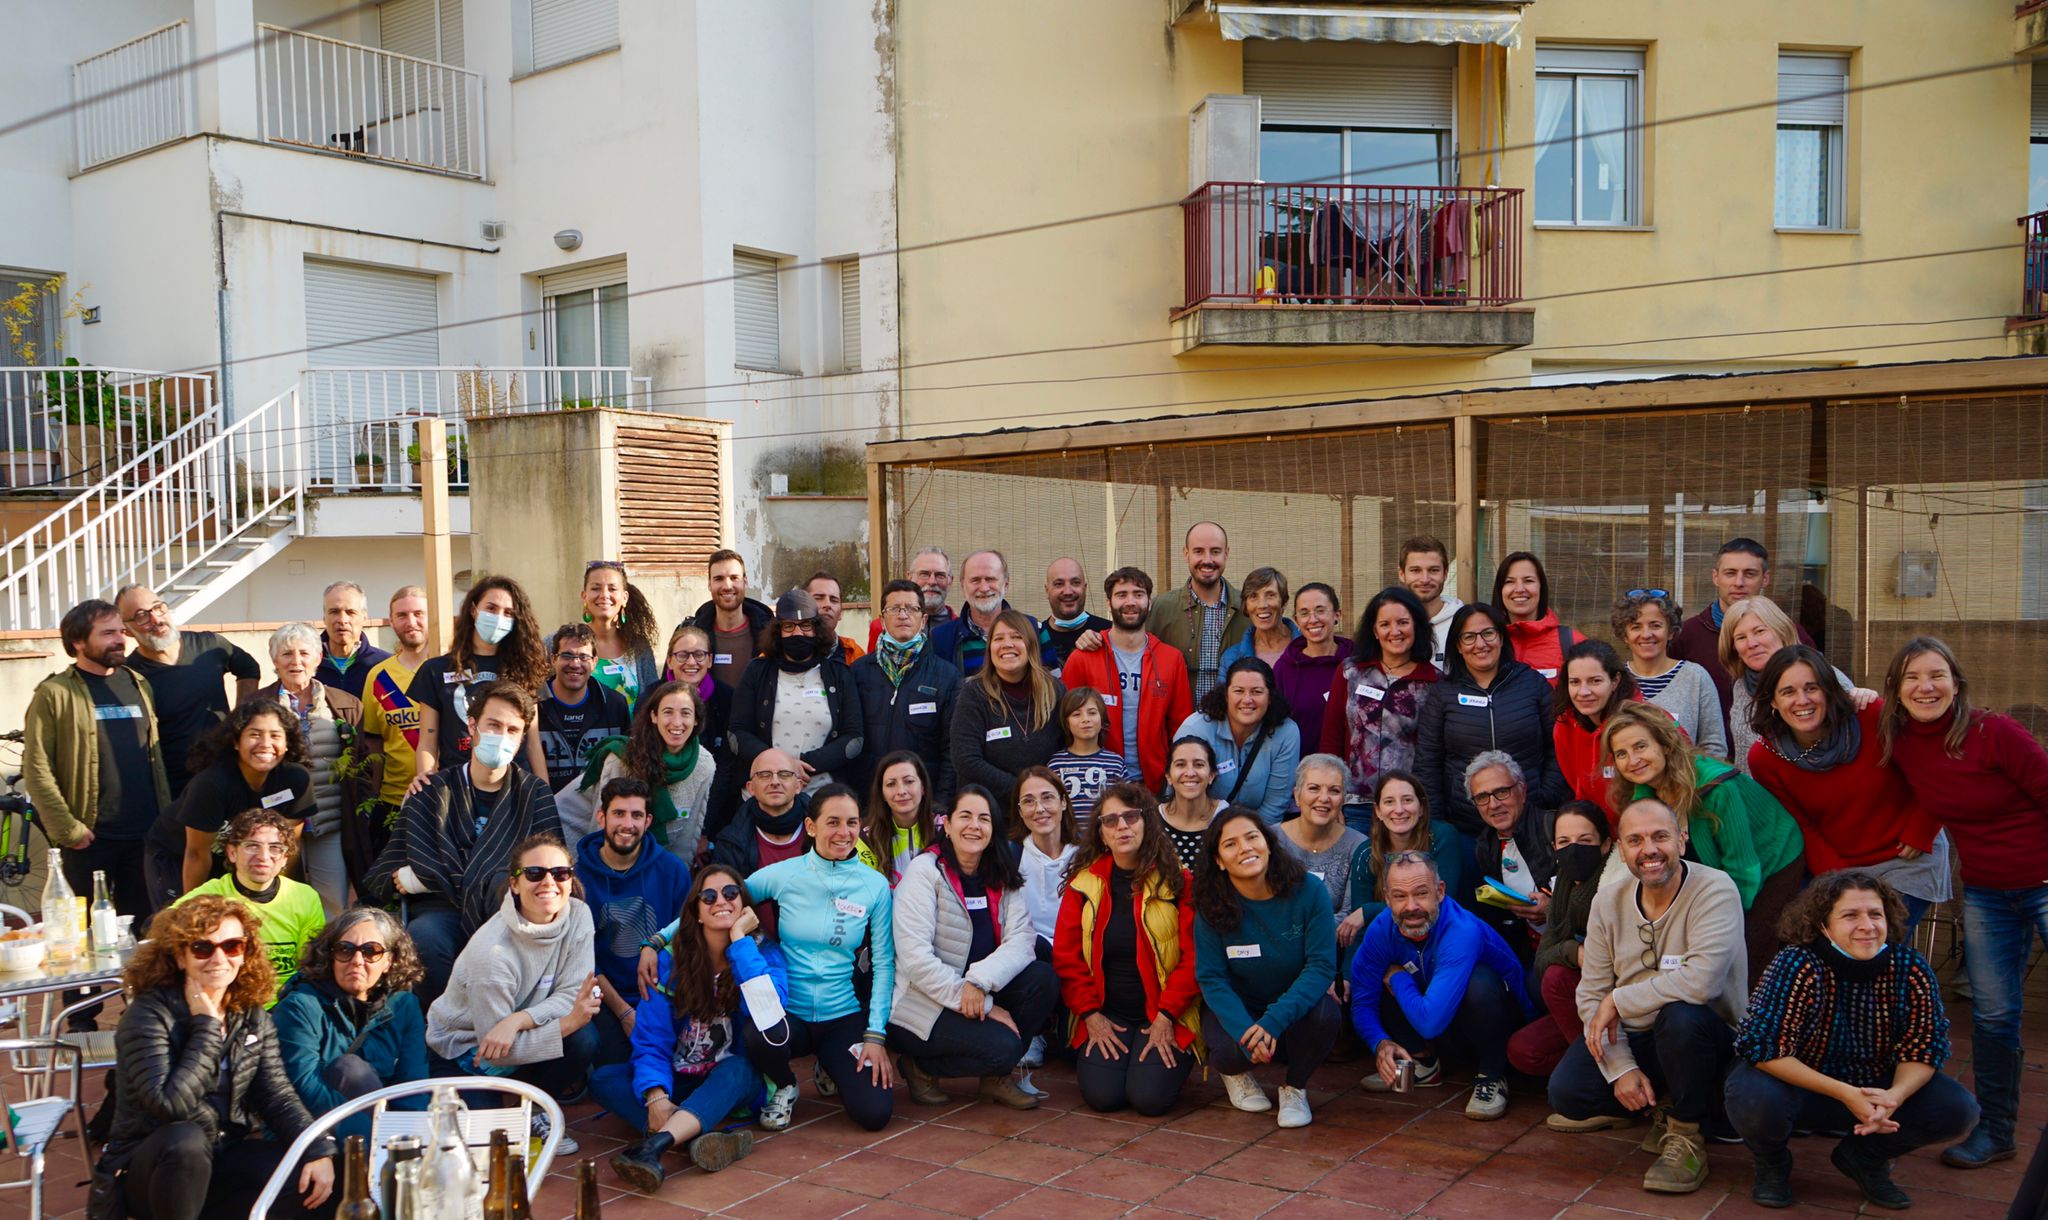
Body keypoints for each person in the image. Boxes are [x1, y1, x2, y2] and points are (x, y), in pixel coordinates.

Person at [1879, 635, 2048, 1169]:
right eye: (1912, 678)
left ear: (1956, 682)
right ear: (1896, 689)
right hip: (1987, 894)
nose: (1925, 687)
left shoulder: (1994, 732)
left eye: (1936, 675)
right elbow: (1939, 788)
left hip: (2044, 882)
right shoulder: (1901, 742)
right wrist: (1921, 826)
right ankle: (1996, 1133)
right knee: (1994, 1015)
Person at [1727, 873, 1978, 1210]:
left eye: (1875, 914)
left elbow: (1925, 1046)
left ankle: (1865, 1157)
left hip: (1875, 1089)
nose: (1867, 926)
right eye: (1850, 915)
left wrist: (1895, 1095)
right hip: (1801, 1087)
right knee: (1750, 1095)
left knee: (1958, 1109)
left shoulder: (1910, 968)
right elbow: (1760, 1045)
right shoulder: (1797, 963)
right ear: (1823, 925)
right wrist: (1844, 1093)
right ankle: (1772, 1163)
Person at [656, 784, 898, 1131]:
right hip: (788, 1013)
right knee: (757, 1033)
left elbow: (885, 964)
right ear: (811, 826)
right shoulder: (786, 874)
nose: (844, 833)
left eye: (852, 823)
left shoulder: (874, 886)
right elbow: (720, 903)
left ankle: (831, 1064)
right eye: (832, 822)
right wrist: (658, 939)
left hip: (842, 1014)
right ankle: (785, 1083)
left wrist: (875, 1035)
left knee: (874, 1114)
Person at [1545, 799, 1746, 1198]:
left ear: (1681, 841)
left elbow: (1702, 983)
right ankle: (1661, 1104)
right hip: (1641, 1035)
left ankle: (1686, 1135)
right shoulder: (1608, 901)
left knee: (1680, 1016)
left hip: (1707, 1036)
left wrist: (1618, 1001)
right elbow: (1592, 993)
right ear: (1621, 850)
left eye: (1660, 837)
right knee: (1568, 1091)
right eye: (1635, 840)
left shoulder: (1715, 888)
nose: (1649, 850)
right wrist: (1621, 1067)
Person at [93, 894, 336, 1220]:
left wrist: (316, 1148)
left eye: (232, 946)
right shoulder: (148, 1015)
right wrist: (206, 1029)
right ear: (180, 957)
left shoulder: (249, 1014)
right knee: (186, 1141)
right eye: (202, 948)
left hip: (221, 1151)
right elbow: (168, 1106)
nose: (219, 958)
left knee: (317, 1178)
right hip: (151, 1168)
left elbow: (276, 1095)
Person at [371, 680, 562, 1008]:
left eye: (512, 730)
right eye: (493, 725)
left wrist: (425, 877)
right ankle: (446, 1024)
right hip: (441, 909)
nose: (502, 736)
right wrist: (407, 878)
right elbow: (387, 872)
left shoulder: (535, 794)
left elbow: (554, 871)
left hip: (508, 912)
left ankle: (503, 1022)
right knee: (425, 939)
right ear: (472, 726)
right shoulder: (432, 791)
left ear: (521, 738)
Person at [601, 864, 781, 1184]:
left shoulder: (764, 954)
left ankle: (654, 1146)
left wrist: (739, 941)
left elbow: (768, 1009)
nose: (721, 901)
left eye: (730, 893)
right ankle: (697, 1137)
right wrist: (656, 1095)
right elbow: (651, 1040)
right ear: (697, 912)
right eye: (708, 896)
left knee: (738, 1069)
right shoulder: (670, 961)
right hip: (679, 1077)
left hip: (733, 1078)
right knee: (605, 1079)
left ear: (744, 904)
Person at [1747, 644, 1948, 932]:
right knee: (1809, 938)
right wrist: (1841, 881)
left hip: (1906, 859)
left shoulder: (1871, 716)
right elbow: (1803, 827)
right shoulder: (1765, 758)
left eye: (1812, 688)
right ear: (1773, 702)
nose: (1802, 700)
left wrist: (1922, 828)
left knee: (1870, 940)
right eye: (1788, 692)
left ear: (1829, 690)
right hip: (1839, 864)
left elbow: (1935, 768)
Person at [1602, 702, 1805, 984]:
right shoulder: (1644, 794)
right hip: (1719, 869)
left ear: (1666, 746)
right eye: (1621, 754)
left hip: (1773, 858)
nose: (1632, 760)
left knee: (1744, 953)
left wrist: (1719, 921)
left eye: (1640, 746)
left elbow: (1743, 868)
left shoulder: (1718, 789)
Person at [425, 832, 600, 1155]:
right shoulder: (491, 953)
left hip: (517, 1033)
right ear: (514, 884)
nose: (549, 882)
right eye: (534, 873)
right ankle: (492, 1101)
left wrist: (520, 1019)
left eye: (560, 873)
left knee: (584, 1040)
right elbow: (495, 1051)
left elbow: (573, 993)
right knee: (490, 1151)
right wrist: (567, 1023)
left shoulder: (578, 915)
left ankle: (532, 1105)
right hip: (468, 1051)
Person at [889, 785, 1056, 1109]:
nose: (974, 826)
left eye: (984, 819)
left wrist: (979, 983)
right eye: (965, 816)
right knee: (1005, 1048)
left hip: (976, 989)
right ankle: (919, 1066)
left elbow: (1022, 939)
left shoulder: (1000, 871)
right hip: (922, 1002)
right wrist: (986, 1005)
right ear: (948, 825)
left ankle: (994, 1078)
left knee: (1042, 979)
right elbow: (915, 960)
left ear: (993, 830)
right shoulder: (924, 872)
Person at [1053, 784, 1201, 1116]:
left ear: (1147, 822)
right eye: (1111, 820)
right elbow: (1066, 958)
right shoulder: (1083, 884)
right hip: (1107, 1014)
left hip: (1165, 1012)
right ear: (1101, 833)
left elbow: (1194, 958)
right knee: (1103, 1098)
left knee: (1149, 1099)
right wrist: (1090, 1015)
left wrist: (1166, 1016)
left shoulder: (1179, 881)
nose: (1122, 826)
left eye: (1131, 817)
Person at [24, 598, 169, 925]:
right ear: (78, 641)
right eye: (107, 633)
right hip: (89, 838)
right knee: (85, 932)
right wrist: (68, 829)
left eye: (120, 631)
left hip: (144, 835)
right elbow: (36, 768)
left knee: (144, 931)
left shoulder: (138, 683)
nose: (120, 640)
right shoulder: (55, 693)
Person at [1350, 850, 1525, 1120]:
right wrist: (1379, 1043)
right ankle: (1422, 1062)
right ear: (1387, 898)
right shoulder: (1382, 929)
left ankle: (1492, 1074)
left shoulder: (1461, 930)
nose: (1411, 906)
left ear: (1440, 891)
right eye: (1400, 896)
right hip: (1440, 1017)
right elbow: (1362, 999)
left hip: (1505, 1025)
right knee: (1378, 977)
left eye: (1421, 893)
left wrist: (1398, 978)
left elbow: (1430, 1023)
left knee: (1478, 984)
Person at [1193, 807, 1340, 1128]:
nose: (1245, 848)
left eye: (1252, 837)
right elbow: (1212, 978)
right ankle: (1237, 1075)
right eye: (1230, 844)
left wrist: (1273, 1021)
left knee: (1326, 1015)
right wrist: (1247, 1034)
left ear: (1268, 844)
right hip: (1241, 1005)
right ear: (1219, 860)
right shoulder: (1211, 904)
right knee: (1227, 1052)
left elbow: (1321, 966)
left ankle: (1294, 1088)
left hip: (1290, 1008)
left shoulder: (1309, 891)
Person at [1416, 601, 1566, 892]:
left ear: (1501, 637)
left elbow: (1558, 747)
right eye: (1469, 637)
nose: (1480, 644)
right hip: (1466, 830)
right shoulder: (1443, 694)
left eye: (1488, 633)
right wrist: (1439, 823)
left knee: (1531, 908)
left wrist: (1542, 796)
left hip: (1530, 825)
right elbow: (1428, 763)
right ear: (1457, 646)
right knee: (1475, 907)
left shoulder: (1531, 684)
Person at [271, 907, 430, 1142]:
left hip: (384, 1131)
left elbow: (413, 1083)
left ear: (389, 961)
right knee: (349, 1069)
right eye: (345, 950)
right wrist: (376, 1140)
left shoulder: (403, 1006)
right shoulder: (299, 1006)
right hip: (313, 1133)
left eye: (371, 951)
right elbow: (304, 1088)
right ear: (330, 956)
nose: (357, 961)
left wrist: (414, 1142)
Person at [575, 777, 693, 1066]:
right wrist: (624, 1012)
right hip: (605, 996)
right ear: (602, 817)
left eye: (636, 815)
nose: (627, 824)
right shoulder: (578, 879)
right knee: (612, 1067)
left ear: (648, 821)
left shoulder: (672, 870)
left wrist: (656, 1003)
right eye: (619, 813)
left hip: (662, 991)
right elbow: (583, 961)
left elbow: (688, 936)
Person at [148, 700, 313, 906]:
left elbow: (289, 846)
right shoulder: (211, 784)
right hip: (181, 855)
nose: (265, 743)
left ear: (287, 743)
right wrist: (192, 909)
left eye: (275, 735)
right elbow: (197, 854)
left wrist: (276, 901)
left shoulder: (296, 780)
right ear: (236, 742)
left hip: (239, 858)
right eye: (254, 734)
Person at [258, 621, 367, 916]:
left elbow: (360, 764)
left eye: (304, 653)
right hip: (276, 825)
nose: (296, 661)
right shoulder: (256, 704)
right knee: (277, 902)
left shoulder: (345, 704)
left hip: (329, 823)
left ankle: (328, 947)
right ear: (274, 660)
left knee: (333, 904)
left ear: (318, 658)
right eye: (286, 654)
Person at [1058, 565, 1193, 792]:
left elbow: (1181, 728)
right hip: (1096, 784)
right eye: (1121, 595)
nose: (1130, 602)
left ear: (1149, 603)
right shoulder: (1083, 658)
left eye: (1138, 594)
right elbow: (1063, 724)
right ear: (1108, 603)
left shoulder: (1171, 659)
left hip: (1154, 784)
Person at [116, 584, 259, 797]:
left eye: (158, 607)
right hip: (174, 789)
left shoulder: (209, 645)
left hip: (228, 775)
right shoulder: (129, 675)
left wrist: (241, 719)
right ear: (127, 630)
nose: (155, 619)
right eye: (141, 616)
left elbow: (248, 668)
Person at [406, 575, 550, 783]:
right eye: (491, 608)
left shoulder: (525, 670)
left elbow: (533, 743)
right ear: (474, 610)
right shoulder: (435, 670)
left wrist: (544, 791)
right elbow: (428, 742)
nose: (498, 618)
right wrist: (427, 784)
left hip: (515, 785)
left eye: (508, 613)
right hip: (457, 785)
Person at [557, 680, 716, 863]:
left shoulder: (704, 764)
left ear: (696, 719)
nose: (677, 722)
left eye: (685, 713)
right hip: (569, 834)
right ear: (654, 716)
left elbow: (687, 836)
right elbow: (602, 830)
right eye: (668, 712)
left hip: (637, 847)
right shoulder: (623, 758)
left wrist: (679, 877)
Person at [1507, 803, 1613, 1077]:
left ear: (1605, 845)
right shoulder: (1564, 883)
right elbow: (1543, 957)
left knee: (1556, 978)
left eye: (1585, 841)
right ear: (1554, 847)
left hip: (1617, 1000)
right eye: (1564, 842)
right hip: (1582, 1001)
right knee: (1522, 1050)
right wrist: (1573, 951)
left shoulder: (1615, 885)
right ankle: (1587, 1063)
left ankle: (1597, 1073)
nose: (1573, 850)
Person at [173, 809, 326, 997]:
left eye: (275, 848)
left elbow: (311, 966)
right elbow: (161, 930)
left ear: (285, 858)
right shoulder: (208, 897)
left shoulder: (305, 897)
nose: (264, 856)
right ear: (232, 853)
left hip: (286, 1003)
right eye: (252, 846)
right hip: (229, 1002)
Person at [1668, 538, 1814, 731]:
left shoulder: (1789, 632)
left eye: (1749, 574)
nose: (1739, 582)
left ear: (1765, 579)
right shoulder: (1687, 634)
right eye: (1730, 573)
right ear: (1715, 577)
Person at [730, 589, 865, 795]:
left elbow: (854, 737)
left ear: (816, 629)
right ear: (778, 631)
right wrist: (780, 765)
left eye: (805, 625)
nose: (798, 633)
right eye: (789, 626)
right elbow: (737, 732)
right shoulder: (756, 671)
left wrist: (804, 764)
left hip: (822, 797)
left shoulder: (839, 674)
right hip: (765, 795)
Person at [1321, 585, 1439, 819]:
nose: (1395, 631)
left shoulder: (1433, 682)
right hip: (1355, 804)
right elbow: (1331, 738)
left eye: (1403, 622)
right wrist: (1331, 798)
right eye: (1385, 624)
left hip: (1406, 807)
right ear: (1374, 631)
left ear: (1416, 625)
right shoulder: (1350, 672)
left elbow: (1433, 756)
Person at [1720, 596, 1867, 776]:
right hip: (1754, 792)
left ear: (1781, 631)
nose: (1752, 643)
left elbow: (1853, 733)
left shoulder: (1822, 675)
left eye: (1759, 631)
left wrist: (1864, 696)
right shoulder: (1741, 686)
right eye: (1741, 637)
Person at [848, 578, 961, 804]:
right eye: (894, 609)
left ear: (923, 619)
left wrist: (940, 803)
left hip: (922, 802)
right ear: (882, 619)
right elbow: (848, 739)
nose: (903, 615)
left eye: (911, 608)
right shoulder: (858, 672)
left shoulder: (947, 675)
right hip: (869, 801)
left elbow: (952, 749)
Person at [950, 608, 1066, 802]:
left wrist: (1040, 792)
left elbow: (1068, 748)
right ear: (989, 648)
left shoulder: (1055, 691)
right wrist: (1022, 790)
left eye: (1016, 637)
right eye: (998, 639)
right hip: (990, 809)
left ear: (1031, 645)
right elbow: (965, 759)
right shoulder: (973, 693)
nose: (1007, 644)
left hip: (1043, 807)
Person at [356, 586, 431, 887]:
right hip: (393, 802)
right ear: (391, 621)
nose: (411, 621)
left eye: (418, 613)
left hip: (444, 799)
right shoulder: (378, 676)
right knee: (390, 887)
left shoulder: (451, 669)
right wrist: (373, 797)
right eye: (402, 615)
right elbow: (373, 742)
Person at [1174, 657, 1301, 826]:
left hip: (1259, 831)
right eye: (1239, 691)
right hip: (1200, 826)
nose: (1247, 699)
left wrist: (1245, 837)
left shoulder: (1286, 732)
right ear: (1226, 694)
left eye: (1256, 692)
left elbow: (1274, 807)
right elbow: (1182, 796)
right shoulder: (1196, 729)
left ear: (1270, 696)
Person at [1346, 769, 1469, 935]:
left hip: (1441, 935)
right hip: (1386, 939)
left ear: (1421, 807)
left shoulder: (1442, 837)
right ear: (1378, 811)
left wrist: (1369, 911)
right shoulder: (1366, 852)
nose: (1399, 810)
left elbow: (1443, 903)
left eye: (1407, 800)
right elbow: (1359, 922)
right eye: (1389, 802)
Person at [1610, 590, 1726, 759]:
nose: (1646, 634)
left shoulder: (1695, 677)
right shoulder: (1614, 680)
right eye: (1636, 627)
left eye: (1655, 625)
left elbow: (1714, 746)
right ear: (1625, 636)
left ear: (1671, 632)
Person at [1148, 522, 1250, 701]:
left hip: (1234, 716)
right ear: (1186, 553)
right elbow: (1129, 648)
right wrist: (1098, 639)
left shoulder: (1248, 609)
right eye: (1198, 551)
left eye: (1215, 551)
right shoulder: (1160, 608)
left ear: (1226, 553)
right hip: (1179, 717)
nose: (1207, 560)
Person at [1466, 751, 1554, 949]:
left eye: (1502, 792)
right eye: (1482, 797)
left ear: (1522, 791)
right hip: (1526, 951)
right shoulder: (1485, 846)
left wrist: (1554, 907)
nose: (1493, 804)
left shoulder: (1556, 828)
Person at [537, 623, 634, 791]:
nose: (575, 664)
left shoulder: (614, 705)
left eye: (584, 657)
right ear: (553, 659)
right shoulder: (534, 704)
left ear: (595, 662)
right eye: (567, 655)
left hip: (599, 804)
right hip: (547, 803)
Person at [1276, 754, 1366, 933]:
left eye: (1334, 791)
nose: (1324, 798)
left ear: (1343, 799)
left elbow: (1350, 915)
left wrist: (1305, 934)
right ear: (1297, 795)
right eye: (1314, 788)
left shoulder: (1359, 846)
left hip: (1331, 944)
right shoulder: (1270, 840)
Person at [930, 549, 1054, 676]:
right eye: (975, 580)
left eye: (990, 579)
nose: (984, 588)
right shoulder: (941, 638)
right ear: (963, 586)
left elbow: (1053, 684)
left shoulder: (1035, 629)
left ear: (1006, 583)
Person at [708, 748, 815, 892]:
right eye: (765, 775)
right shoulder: (731, 843)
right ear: (751, 788)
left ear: (798, 786)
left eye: (784, 774)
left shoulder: (824, 831)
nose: (775, 782)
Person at [1554, 639, 1639, 818]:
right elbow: (1576, 785)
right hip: (1596, 828)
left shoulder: (1644, 722)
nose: (1583, 692)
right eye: (1575, 682)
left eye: (1595, 681)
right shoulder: (1564, 727)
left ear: (1615, 681)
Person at [1272, 582, 1349, 757]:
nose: (1312, 619)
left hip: (1351, 768)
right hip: (1301, 768)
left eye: (1320, 610)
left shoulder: (1357, 663)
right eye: (1304, 613)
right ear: (1297, 620)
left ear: (1337, 615)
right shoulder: (1285, 668)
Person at [1046, 686, 1135, 836]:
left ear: (1102, 719)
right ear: (1066, 723)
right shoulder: (1055, 764)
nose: (1085, 719)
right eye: (1076, 714)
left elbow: (1127, 804)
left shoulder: (1115, 763)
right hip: (1068, 841)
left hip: (1107, 838)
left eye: (1092, 713)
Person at [580, 559, 662, 708]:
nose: (604, 595)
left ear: (624, 598)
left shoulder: (639, 647)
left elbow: (653, 701)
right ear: (584, 596)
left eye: (612, 589)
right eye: (596, 588)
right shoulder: (560, 643)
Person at [690, 548, 772, 691]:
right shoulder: (691, 633)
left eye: (734, 578)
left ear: (745, 582)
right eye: (719, 579)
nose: (727, 586)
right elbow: (669, 685)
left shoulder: (770, 633)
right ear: (709, 584)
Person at [1491, 552, 1578, 681]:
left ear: (1541, 587)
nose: (1519, 589)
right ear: (1500, 590)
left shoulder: (1572, 642)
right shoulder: (1485, 644)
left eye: (1528, 581)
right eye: (1509, 581)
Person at [859, 750, 937, 881]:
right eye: (891, 784)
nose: (901, 791)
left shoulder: (945, 829)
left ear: (923, 787)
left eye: (909, 781)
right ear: (882, 793)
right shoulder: (866, 837)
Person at [866, 545, 956, 653]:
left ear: (950, 581)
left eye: (940, 575)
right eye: (924, 574)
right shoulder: (881, 628)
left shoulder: (961, 630)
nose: (932, 582)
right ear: (909, 577)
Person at [314, 580, 390, 701]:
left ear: (364, 617)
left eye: (350, 612)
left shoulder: (384, 665)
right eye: (334, 612)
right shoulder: (307, 665)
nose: (342, 620)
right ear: (324, 617)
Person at [1160, 735, 1225, 873]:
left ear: (1211, 775)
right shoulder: (1152, 820)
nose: (1190, 773)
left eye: (1199, 764)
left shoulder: (1226, 818)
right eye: (1180, 764)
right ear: (1168, 776)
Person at [1397, 536, 1461, 669]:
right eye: (1416, 570)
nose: (1425, 579)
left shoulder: (1463, 622)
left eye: (1433, 570)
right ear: (1402, 574)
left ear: (1445, 574)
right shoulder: (1390, 625)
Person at [1220, 566, 1297, 670]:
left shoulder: (1309, 648)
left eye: (1270, 595)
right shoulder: (1231, 658)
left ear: (1284, 602)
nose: (1262, 605)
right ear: (1246, 605)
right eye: (1253, 596)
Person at [1041, 556, 1110, 670]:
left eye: (1075, 583)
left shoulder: (1109, 634)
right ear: (1047, 590)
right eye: (1059, 584)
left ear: (1085, 588)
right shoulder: (1037, 638)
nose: (1068, 591)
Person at [804, 570, 868, 665]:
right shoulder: (786, 652)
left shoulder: (855, 655)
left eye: (834, 600)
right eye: (818, 598)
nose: (827, 604)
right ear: (803, 606)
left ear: (840, 613)